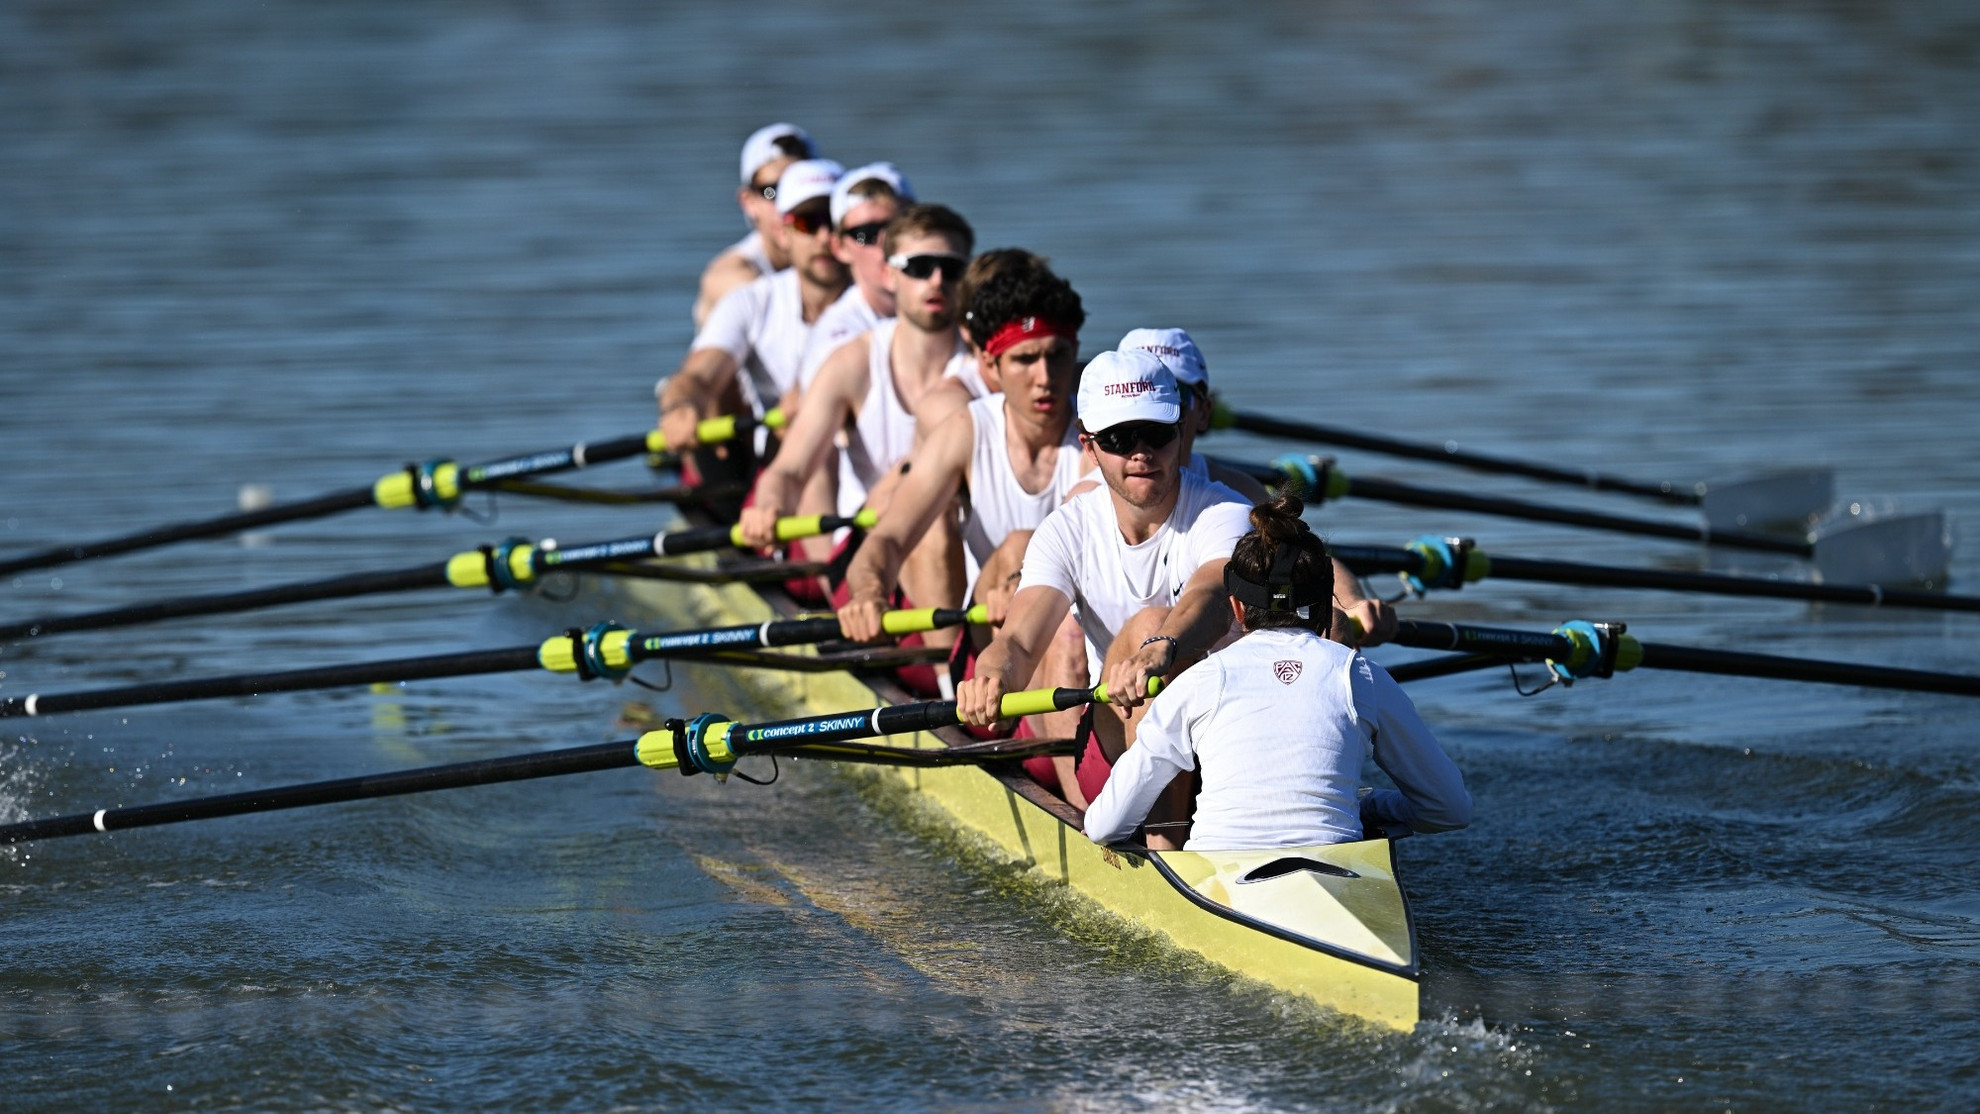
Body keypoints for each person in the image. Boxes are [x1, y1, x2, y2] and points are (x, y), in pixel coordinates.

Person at [956, 351, 1396, 838]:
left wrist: (1162, 648)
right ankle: (1165, 847)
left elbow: (1210, 592)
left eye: (1158, 434)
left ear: (1182, 430)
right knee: (1146, 628)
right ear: (1090, 446)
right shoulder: (1066, 531)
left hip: (1226, 744)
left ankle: (1325, 800)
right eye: (1121, 439)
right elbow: (1018, 641)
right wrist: (991, 678)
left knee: (1324, 626)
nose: (1142, 452)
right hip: (1121, 748)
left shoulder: (1222, 511)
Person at [1081, 490, 1471, 850]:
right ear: (1324, 601)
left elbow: (1102, 827)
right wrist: (1366, 807)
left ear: (1235, 608)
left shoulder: (1199, 682)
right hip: (1340, 873)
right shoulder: (1362, 676)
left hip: (1218, 881)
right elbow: (1450, 809)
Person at [836, 252, 1092, 650]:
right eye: (1025, 359)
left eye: (1057, 356)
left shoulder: (1100, 432)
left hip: (1074, 627)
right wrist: (869, 593)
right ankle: (946, 679)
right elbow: (886, 539)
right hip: (994, 627)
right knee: (1016, 546)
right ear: (992, 363)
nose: (1045, 378)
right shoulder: (963, 429)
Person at [736, 204, 977, 588]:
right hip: (874, 549)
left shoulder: (988, 366)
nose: (935, 281)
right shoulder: (853, 364)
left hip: (967, 561)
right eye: (918, 267)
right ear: (888, 274)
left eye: (950, 268)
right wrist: (768, 504)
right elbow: (790, 468)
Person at [658, 158, 847, 456]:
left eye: (833, 223)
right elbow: (697, 376)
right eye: (807, 223)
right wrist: (681, 404)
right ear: (783, 232)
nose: (823, 237)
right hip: (787, 456)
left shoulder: (884, 300)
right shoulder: (751, 300)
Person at [796, 163, 915, 389]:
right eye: (865, 235)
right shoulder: (835, 340)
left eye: (896, 228)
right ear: (840, 248)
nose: (884, 245)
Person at [1116, 327, 1268, 502]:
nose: (1154, 415)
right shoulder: (1083, 505)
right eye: (1139, 393)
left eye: (1175, 392)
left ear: (1204, 412)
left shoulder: (1250, 497)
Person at [693, 123, 819, 327]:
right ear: (748, 202)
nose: (788, 205)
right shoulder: (729, 275)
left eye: (801, 191)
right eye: (773, 192)